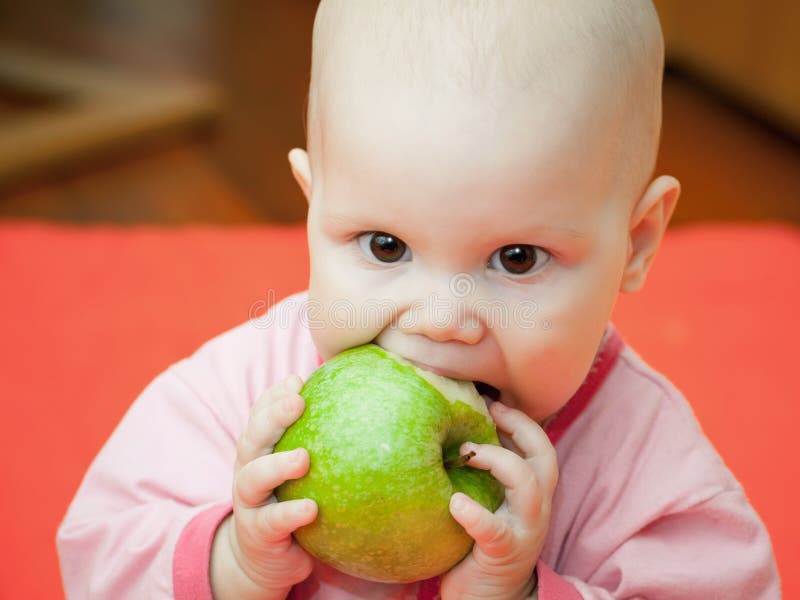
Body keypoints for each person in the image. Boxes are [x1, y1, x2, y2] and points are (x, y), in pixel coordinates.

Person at [57, 1, 780, 598]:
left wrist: (525, 591)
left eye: (517, 258)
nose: (438, 321)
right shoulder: (251, 390)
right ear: (314, 210)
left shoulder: (639, 460)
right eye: (385, 247)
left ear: (639, 241)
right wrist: (231, 564)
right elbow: (97, 550)